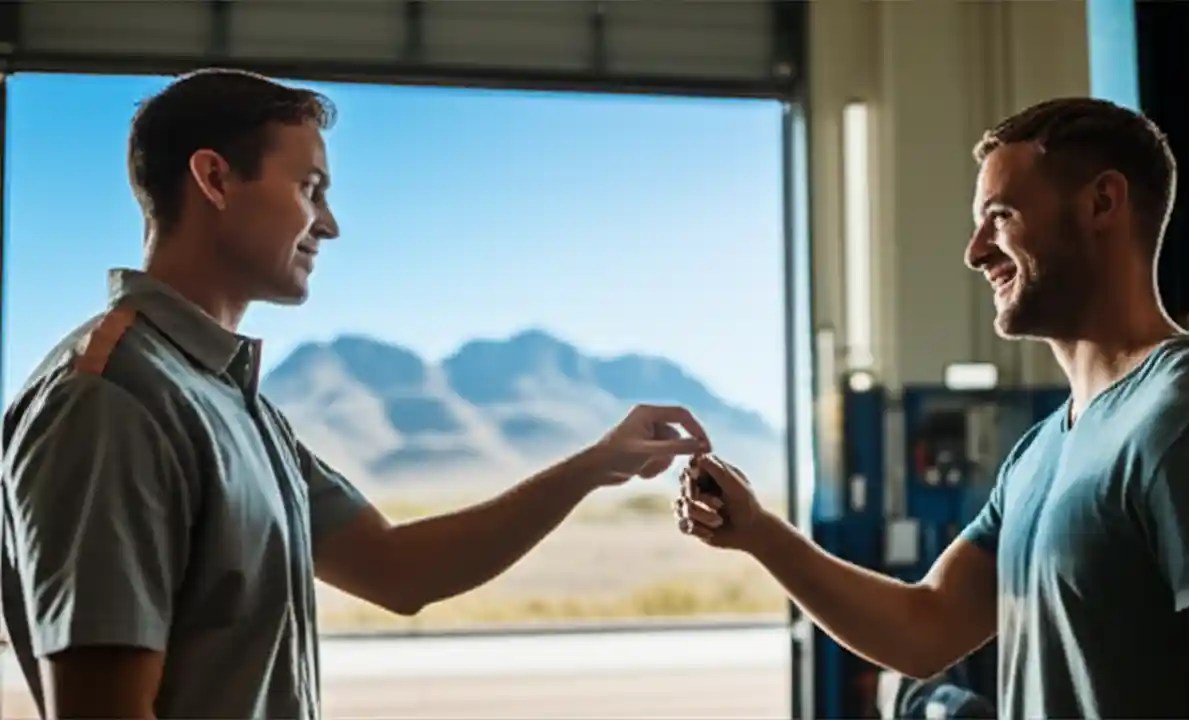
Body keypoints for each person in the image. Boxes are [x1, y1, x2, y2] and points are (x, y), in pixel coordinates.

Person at [0, 68, 711, 719]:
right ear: (215, 179)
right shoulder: (112, 401)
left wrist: (596, 465)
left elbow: (397, 569)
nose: (330, 225)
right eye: (310, 189)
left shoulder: (229, 399)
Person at [676, 97, 1189, 718]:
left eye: (1001, 215)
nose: (975, 252)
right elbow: (925, 627)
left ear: (1102, 203)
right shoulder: (1044, 448)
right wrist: (758, 532)